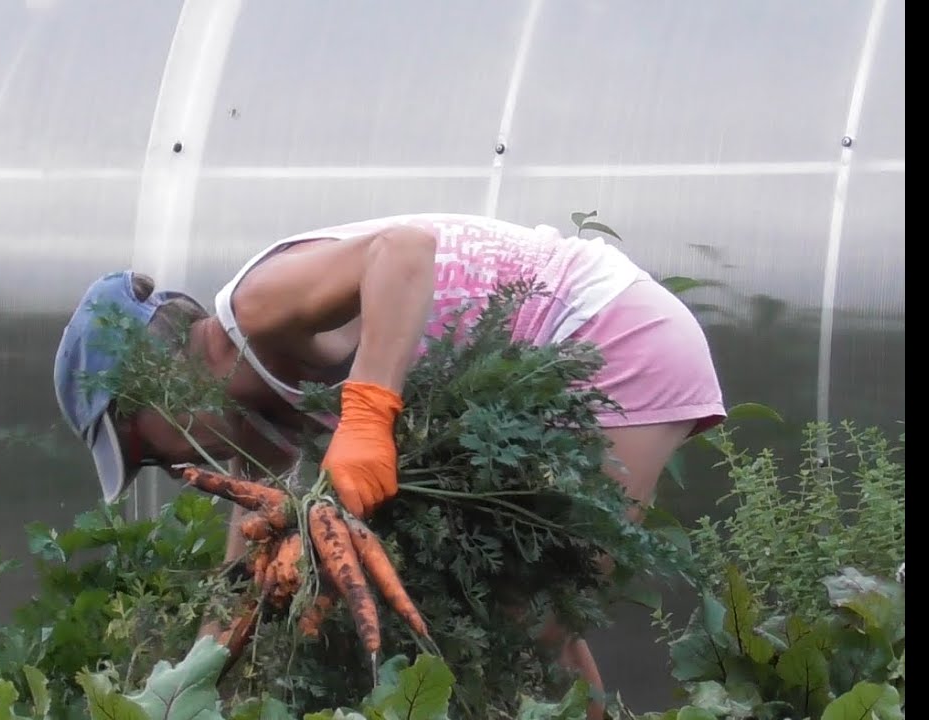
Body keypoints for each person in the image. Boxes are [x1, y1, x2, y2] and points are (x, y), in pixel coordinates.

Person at [53, 212, 727, 716]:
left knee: (535, 616)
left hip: (605, 333)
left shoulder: (254, 309)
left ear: (156, 385)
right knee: (509, 613)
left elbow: (402, 250)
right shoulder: (263, 412)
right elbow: (244, 566)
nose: (171, 468)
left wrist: (369, 413)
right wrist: (193, 679)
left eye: (144, 450)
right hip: (552, 369)